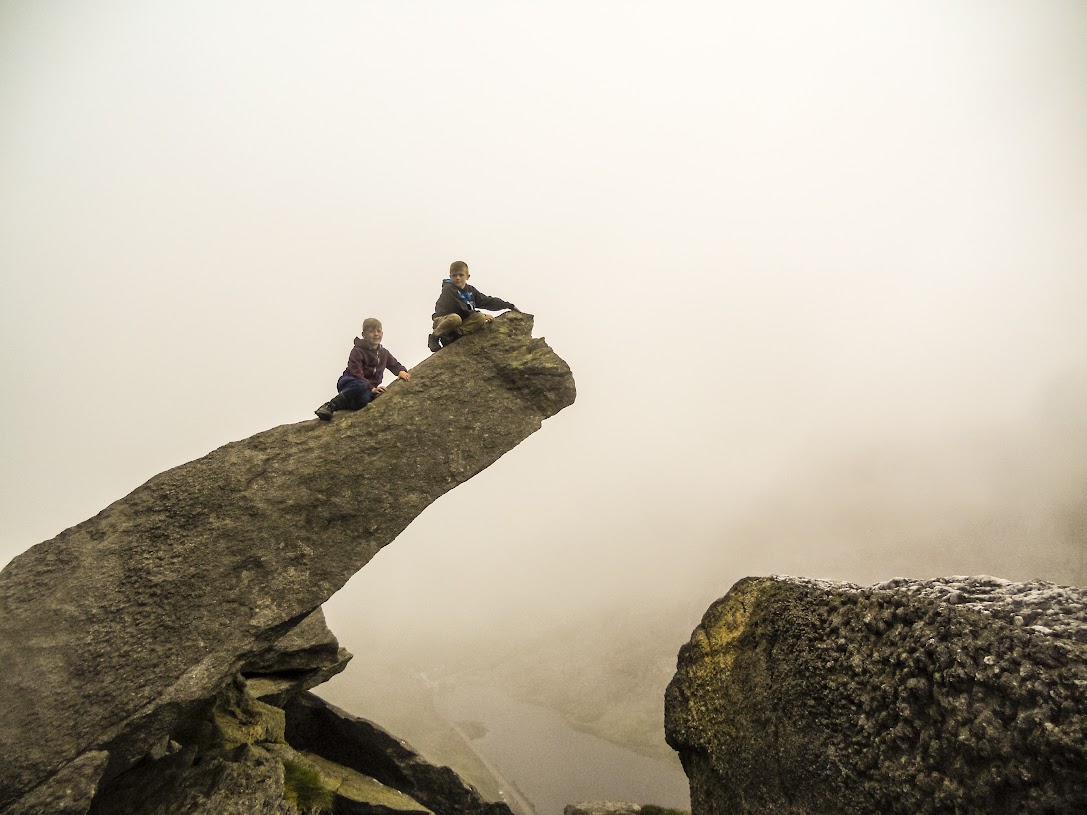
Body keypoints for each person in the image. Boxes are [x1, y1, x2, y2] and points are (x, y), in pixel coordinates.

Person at [315, 318, 411, 421]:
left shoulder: (384, 353)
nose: (376, 334)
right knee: (360, 386)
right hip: (350, 381)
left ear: (382, 333)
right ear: (364, 334)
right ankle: (330, 406)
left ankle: (346, 404)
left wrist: (401, 371)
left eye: (378, 331)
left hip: (368, 389)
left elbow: (394, 364)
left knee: (365, 400)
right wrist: (372, 388)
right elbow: (357, 373)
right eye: (371, 331)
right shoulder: (357, 351)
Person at [427, 260, 519, 352]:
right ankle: (435, 337)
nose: (458, 278)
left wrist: (509, 306)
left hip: (460, 321)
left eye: (461, 275)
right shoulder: (448, 289)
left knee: (479, 318)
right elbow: (461, 307)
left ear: (467, 276)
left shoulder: (470, 291)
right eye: (454, 275)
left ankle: (454, 335)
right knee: (455, 318)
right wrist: (484, 315)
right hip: (444, 320)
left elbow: (487, 301)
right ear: (450, 277)